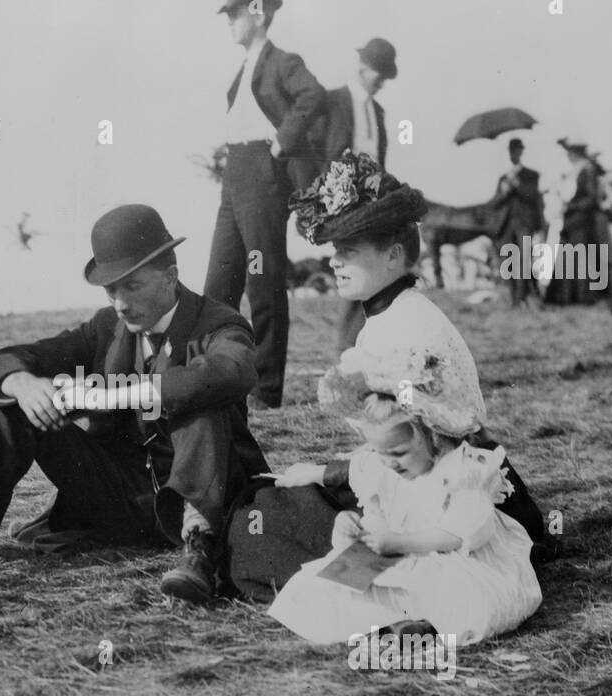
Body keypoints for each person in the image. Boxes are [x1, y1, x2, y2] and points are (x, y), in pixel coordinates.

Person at [0, 203, 271, 604]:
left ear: (170, 277)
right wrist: (22, 383)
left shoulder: (218, 323)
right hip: (119, 501)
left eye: (132, 287)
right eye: (111, 290)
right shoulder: (107, 327)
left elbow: (233, 372)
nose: (120, 303)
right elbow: (11, 357)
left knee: (198, 401)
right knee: (18, 404)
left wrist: (116, 395)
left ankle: (201, 553)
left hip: (204, 500)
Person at [223, 151, 546, 601]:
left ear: (393, 255)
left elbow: (422, 453)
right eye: (335, 250)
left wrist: (324, 474)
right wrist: (322, 472)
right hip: (419, 474)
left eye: (348, 251)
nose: (334, 262)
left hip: (445, 498)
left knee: (265, 523)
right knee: (269, 506)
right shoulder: (391, 314)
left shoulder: (410, 330)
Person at [266, 390, 542, 647]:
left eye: (399, 453)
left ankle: (424, 623)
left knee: (463, 599)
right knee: (327, 584)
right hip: (397, 551)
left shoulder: (461, 472)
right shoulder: (385, 471)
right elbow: (382, 517)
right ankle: (395, 622)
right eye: (380, 453)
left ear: (432, 436)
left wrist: (400, 542)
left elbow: (459, 535)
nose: (390, 462)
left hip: (452, 557)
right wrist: (354, 527)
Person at [203, 0, 327, 410]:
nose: (230, 23)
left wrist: (281, 143)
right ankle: (213, 379)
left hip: (263, 173)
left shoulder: (282, 61)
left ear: (257, 13)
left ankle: (266, 389)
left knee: (263, 281)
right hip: (235, 175)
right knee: (219, 281)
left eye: (235, 14)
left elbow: (313, 95)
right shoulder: (243, 69)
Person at [315, 38, 399, 351]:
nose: (382, 83)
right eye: (381, 75)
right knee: (357, 275)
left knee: (373, 274)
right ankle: (347, 352)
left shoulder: (377, 110)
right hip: (345, 205)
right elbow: (326, 157)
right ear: (364, 67)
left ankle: (362, 348)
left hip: (374, 207)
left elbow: (379, 158)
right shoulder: (334, 101)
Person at [545, 138, 612, 310]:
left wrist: (572, 206)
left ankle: (582, 296)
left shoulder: (587, 170)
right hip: (573, 219)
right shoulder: (576, 171)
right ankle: (567, 296)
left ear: (577, 153)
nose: (568, 156)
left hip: (582, 220)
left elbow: (591, 198)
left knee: (581, 258)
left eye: (570, 152)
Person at [491, 139, 546, 306]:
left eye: (515, 150)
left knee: (523, 260)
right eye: (510, 151)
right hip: (506, 225)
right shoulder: (503, 178)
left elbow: (532, 196)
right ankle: (515, 299)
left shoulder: (531, 175)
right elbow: (495, 203)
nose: (512, 154)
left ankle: (522, 298)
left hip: (524, 224)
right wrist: (504, 192)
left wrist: (516, 185)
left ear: (521, 151)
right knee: (509, 261)